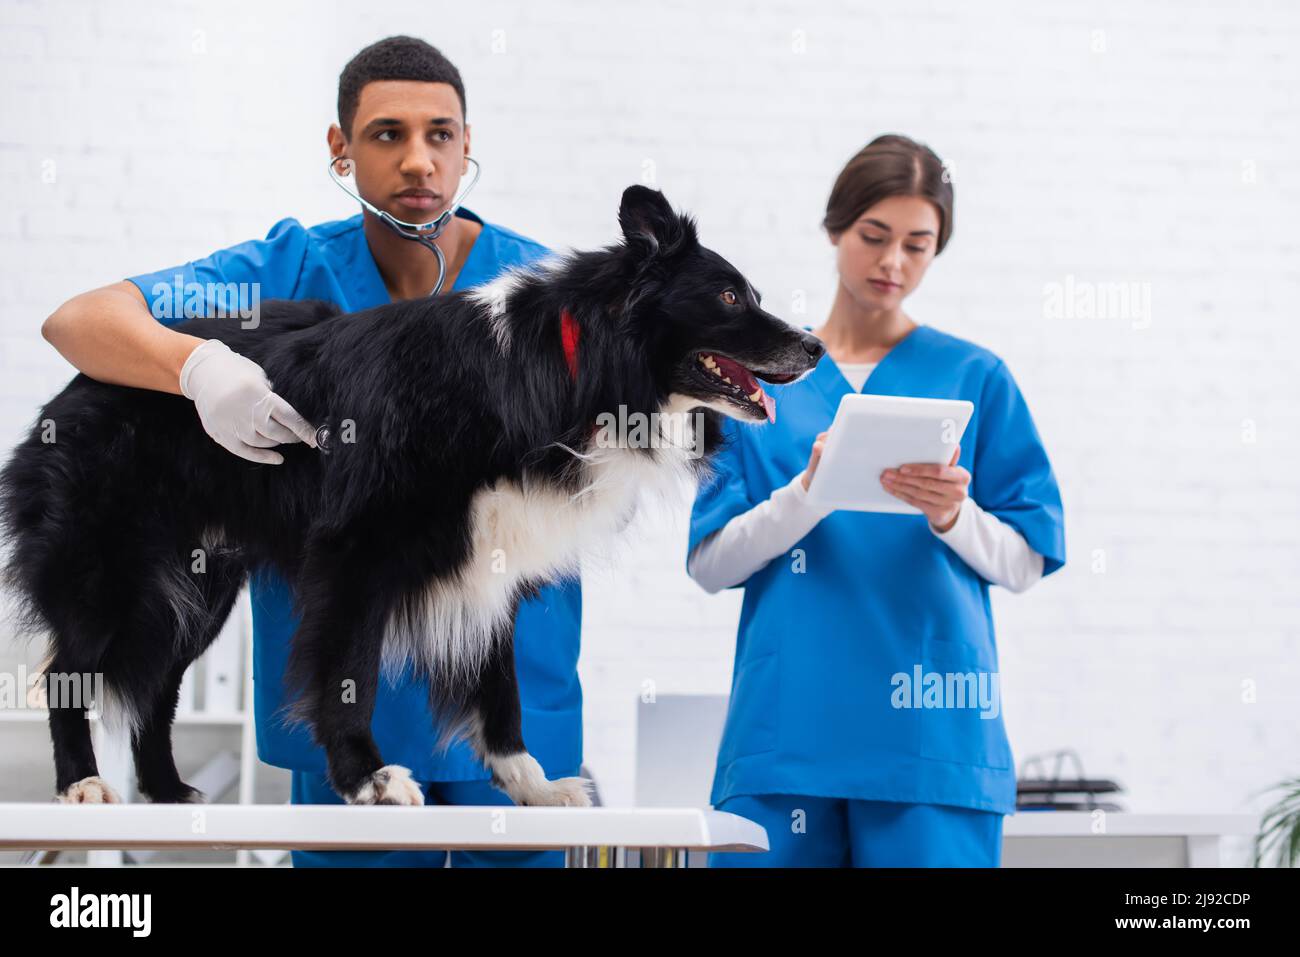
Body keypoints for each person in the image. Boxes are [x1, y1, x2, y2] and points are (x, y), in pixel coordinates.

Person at [40, 36, 581, 868]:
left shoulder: (537, 291)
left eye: (441, 134)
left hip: (511, 699)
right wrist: (198, 366)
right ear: (340, 148)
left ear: (469, 145)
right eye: (386, 135)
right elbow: (78, 322)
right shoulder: (285, 267)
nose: (418, 162)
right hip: (344, 711)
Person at [687, 134, 1066, 867]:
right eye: (874, 236)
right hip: (786, 736)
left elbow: (1025, 562)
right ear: (836, 229)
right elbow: (709, 563)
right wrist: (809, 494)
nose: (893, 262)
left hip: (931, 744)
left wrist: (953, 515)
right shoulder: (754, 376)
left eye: (918, 245)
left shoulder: (975, 376)